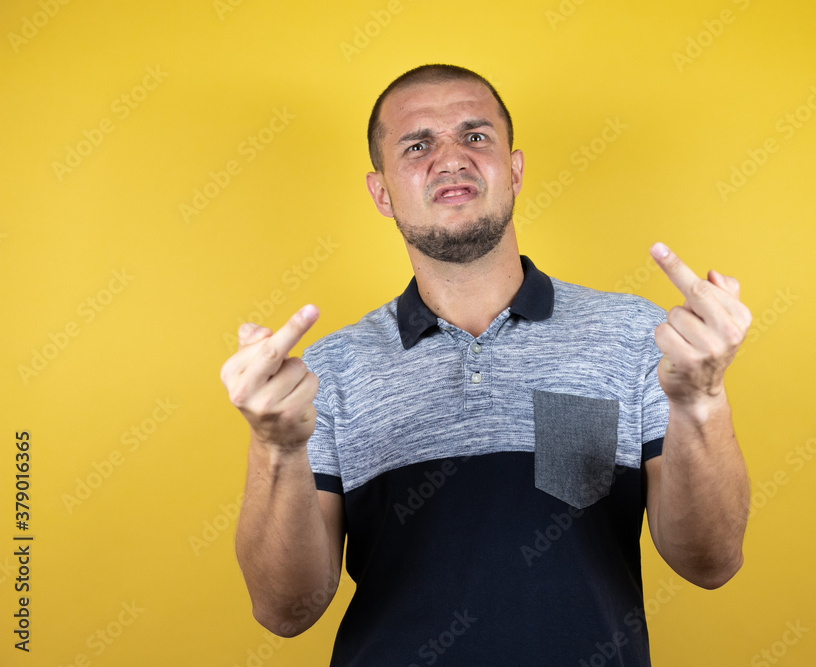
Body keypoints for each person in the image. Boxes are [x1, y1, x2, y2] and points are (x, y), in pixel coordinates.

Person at [221, 63, 752, 666]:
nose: (451, 159)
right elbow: (284, 610)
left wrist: (702, 400)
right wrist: (276, 449)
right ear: (381, 192)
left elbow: (711, 563)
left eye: (476, 136)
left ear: (515, 169)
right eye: (417, 145)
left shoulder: (634, 336)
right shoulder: (326, 373)